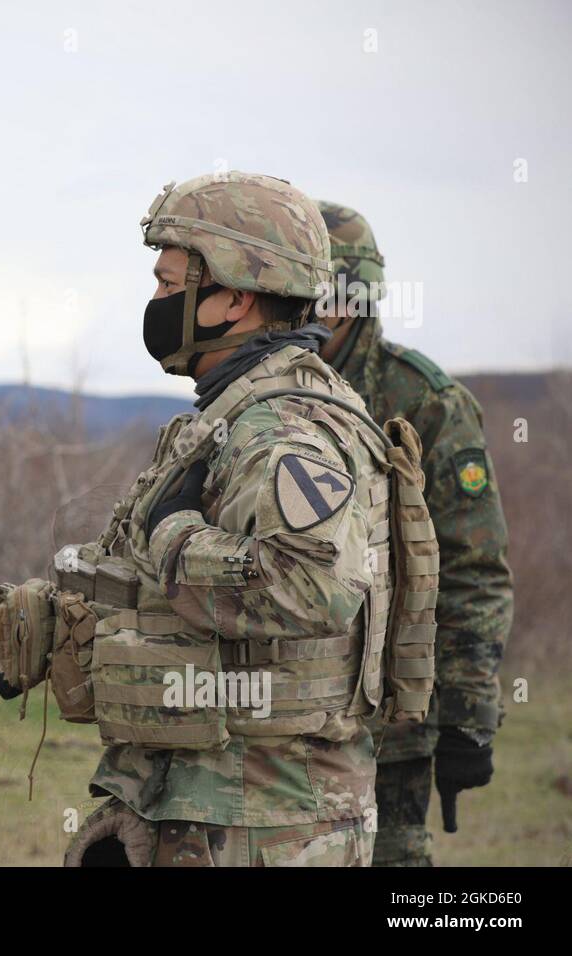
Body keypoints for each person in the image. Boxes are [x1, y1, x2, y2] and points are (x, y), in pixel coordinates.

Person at [61, 172, 422, 867]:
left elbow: (313, 586)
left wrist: (172, 538)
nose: (157, 303)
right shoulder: (250, 406)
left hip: (258, 817)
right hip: (221, 800)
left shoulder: (279, 426)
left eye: (170, 287)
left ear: (235, 296)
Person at [316, 200, 512, 865]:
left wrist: (468, 717)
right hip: (287, 715)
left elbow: (473, 568)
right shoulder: (269, 395)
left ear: (344, 301)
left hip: (392, 724)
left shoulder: (426, 403)